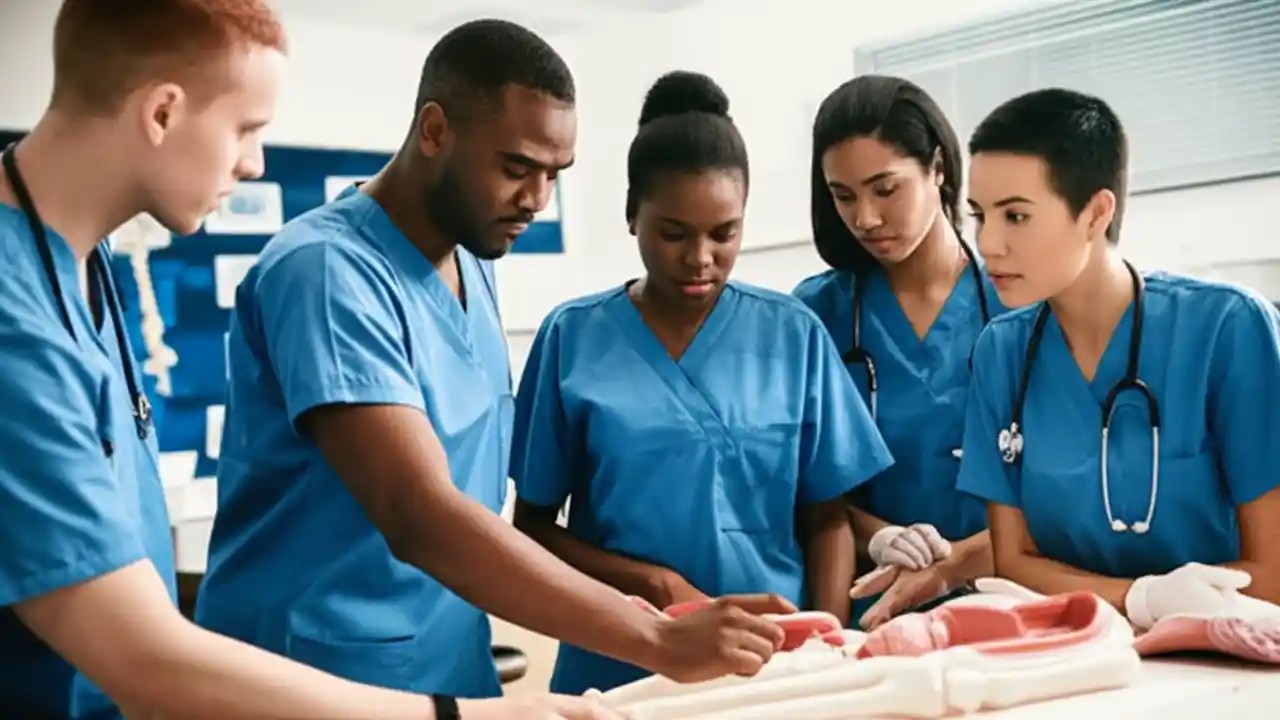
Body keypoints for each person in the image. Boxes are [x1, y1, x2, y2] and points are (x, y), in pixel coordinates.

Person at [0, 2, 621, 718]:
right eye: (247, 129)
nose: (254, 161)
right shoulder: (20, 320)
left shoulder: (83, 268)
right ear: (163, 113)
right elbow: (143, 658)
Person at [197, 19, 794, 702]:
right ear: (434, 130)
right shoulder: (326, 272)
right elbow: (418, 513)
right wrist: (654, 636)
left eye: (553, 175)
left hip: (448, 667)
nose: (537, 200)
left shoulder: (470, 263)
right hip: (314, 679)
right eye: (516, 168)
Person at [510, 70, 893, 695]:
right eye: (674, 234)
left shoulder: (791, 334)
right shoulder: (573, 339)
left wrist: (827, 650)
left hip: (773, 664)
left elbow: (826, 520)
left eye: (725, 233)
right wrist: (654, 585)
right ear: (633, 214)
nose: (700, 258)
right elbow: (532, 527)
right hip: (618, 664)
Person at [958, 87, 1280, 631]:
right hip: (1075, 650)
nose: (987, 243)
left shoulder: (1227, 329)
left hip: (1227, 659)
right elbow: (1011, 562)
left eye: (1015, 216)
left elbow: (1272, 574)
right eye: (978, 215)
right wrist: (1142, 599)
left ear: (1095, 213)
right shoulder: (1001, 351)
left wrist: (1120, 600)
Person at [793, 75, 1007, 630]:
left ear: (937, 168)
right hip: (870, 611)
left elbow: (1062, 488)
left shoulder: (1018, 303)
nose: (864, 217)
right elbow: (798, 486)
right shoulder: (814, 316)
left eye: (885, 189)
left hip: (1003, 598)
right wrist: (880, 537)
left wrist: (960, 561)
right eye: (844, 196)